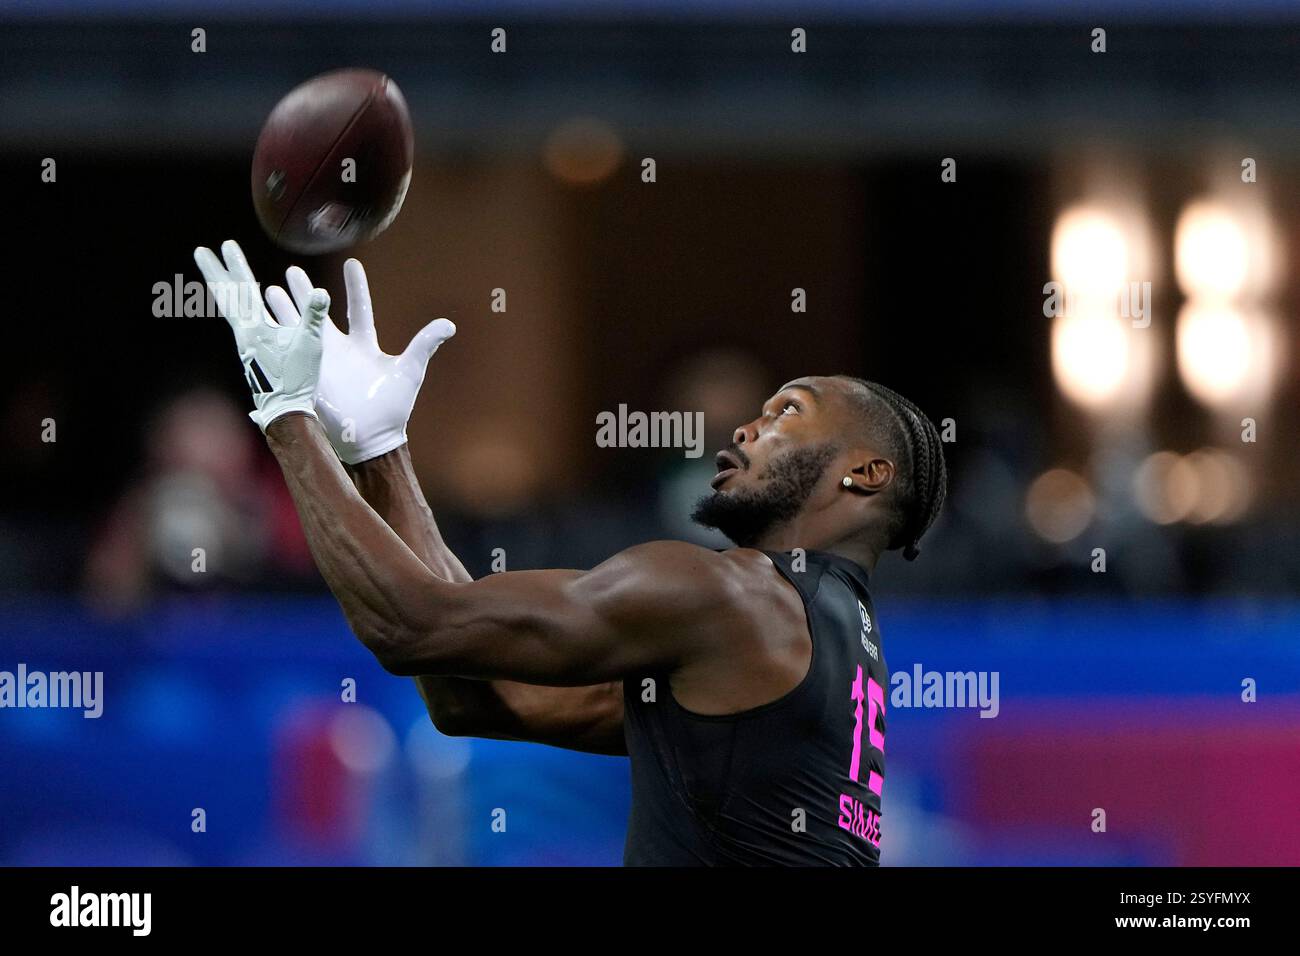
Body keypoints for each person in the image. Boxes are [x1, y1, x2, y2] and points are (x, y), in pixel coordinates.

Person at [194, 239, 947, 866]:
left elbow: (411, 625)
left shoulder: (733, 597)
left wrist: (288, 415)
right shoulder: (826, 640)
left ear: (865, 473)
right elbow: (474, 694)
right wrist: (379, 452)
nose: (746, 430)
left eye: (788, 411)